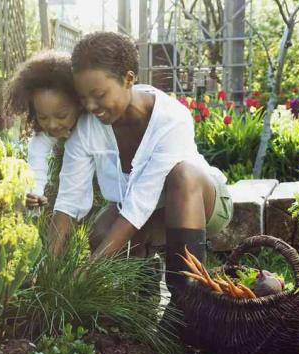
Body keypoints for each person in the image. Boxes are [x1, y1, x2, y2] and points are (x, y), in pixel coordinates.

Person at [51, 32, 233, 313]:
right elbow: (68, 199)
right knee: (101, 235)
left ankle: (186, 305)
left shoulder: (171, 118)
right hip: (145, 212)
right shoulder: (87, 126)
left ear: (128, 79)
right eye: (83, 97)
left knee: (183, 174)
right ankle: (143, 293)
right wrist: (50, 267)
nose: (89, 106)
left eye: (98, 95)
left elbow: (141, 203)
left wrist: (91, 266)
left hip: (199, 203)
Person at [3, 51, 81, 208]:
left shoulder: (94, 125)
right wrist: (34, 194)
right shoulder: (42, 138)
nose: (52, 125)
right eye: (43, 117)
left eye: (61, 116)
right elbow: (36, 166)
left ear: (80, 103)